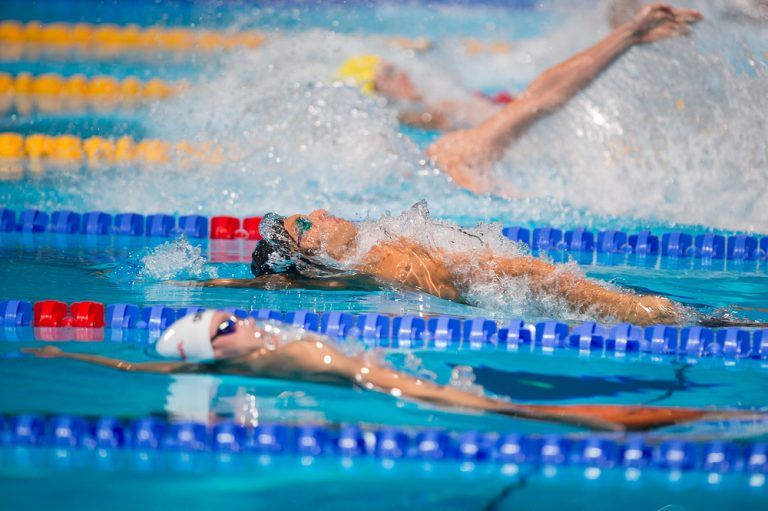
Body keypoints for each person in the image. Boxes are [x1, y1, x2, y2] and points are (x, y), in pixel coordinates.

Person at [22, 310, 760, 432]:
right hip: (388, 387)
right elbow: (135, 368)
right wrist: (73, 356)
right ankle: (723, 419)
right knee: (531, 419)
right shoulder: (263, 354)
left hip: (384, 371)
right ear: (222, 353)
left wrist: (68, 354)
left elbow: (125, 361)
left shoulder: (253, 343)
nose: (237, 319)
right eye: (224, 327)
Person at [339, 4, 703, 195]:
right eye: (387, 75)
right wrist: (628, 35)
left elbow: (539, 99)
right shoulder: (444, 151)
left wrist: (628, 36)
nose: (403, 74)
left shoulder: (449, 153)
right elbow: (539, 100)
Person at [207, 207, 686, 326]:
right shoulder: (359, 269)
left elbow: (280, 280)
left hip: (507, 285)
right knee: (655, 313)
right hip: (504, 284)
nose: (323, 212)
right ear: (309, 256)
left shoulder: (367, 252)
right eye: (307, 223)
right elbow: (280, 282)